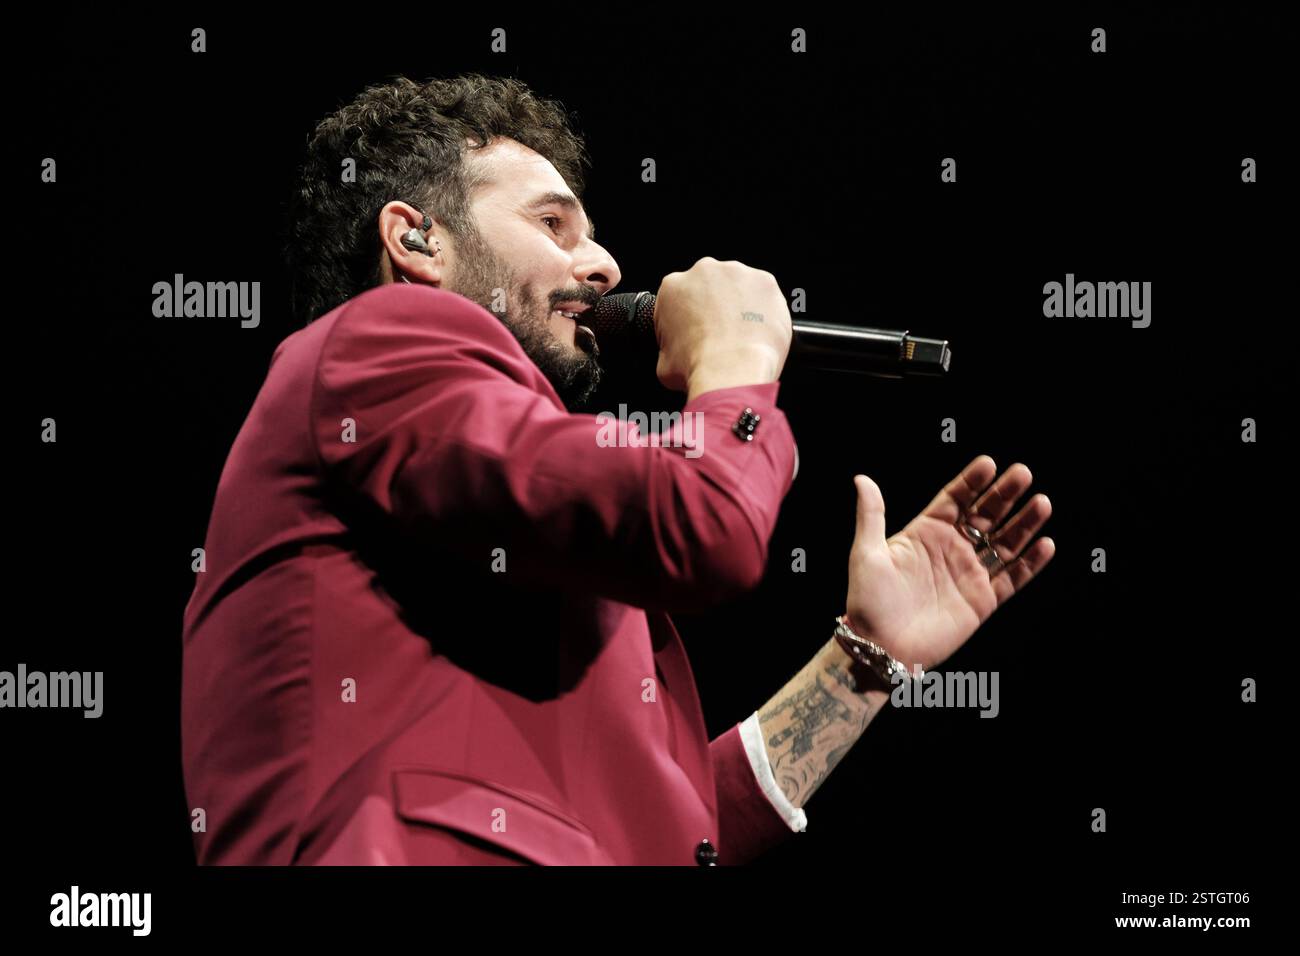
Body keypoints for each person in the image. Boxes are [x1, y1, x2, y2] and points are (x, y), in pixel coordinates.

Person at [181, 73, 1055, 865]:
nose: (600, 266)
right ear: (418, 240)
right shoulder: (380, 340)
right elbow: (704, 527)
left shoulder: (494, 497)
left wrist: (862, 664)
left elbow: (667, 834)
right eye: (551, 224)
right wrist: (739, 354)